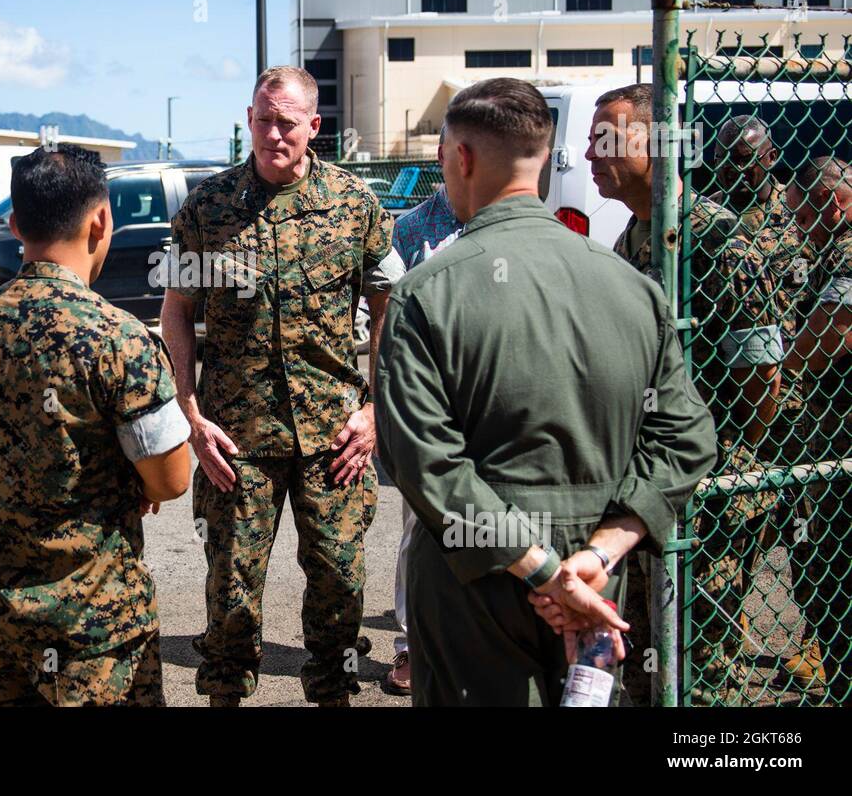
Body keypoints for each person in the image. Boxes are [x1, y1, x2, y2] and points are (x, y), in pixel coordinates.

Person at [376, 77, 716, 706]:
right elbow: (686, 440)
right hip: (593, 573)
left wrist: (542, 571)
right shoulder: (633, 288)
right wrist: (597, 555)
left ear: (463, 157)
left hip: (470, 577)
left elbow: (422, 462)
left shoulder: (427, 292)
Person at [160, 65, 404, 707]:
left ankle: (333, 695)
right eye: (263, 120)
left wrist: (376, 410)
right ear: (248, 120)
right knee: (230, 589)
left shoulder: (357, 207)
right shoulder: (208, 208)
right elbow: (176, 313)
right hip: (234, 437)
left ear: (314, 127)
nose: (274, 133)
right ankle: (224, 697)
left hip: (335, 435)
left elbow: (387, 314)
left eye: (287, 122)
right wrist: (190, 413)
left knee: (338, 582)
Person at [0, 144, 191, 706]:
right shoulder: (120, 339)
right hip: (94, 628)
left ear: (16, 224)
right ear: (102, 221)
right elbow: (170, 479)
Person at [586, 84, 780, 705]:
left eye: (605, 137)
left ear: (653, 142)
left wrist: (732, 460)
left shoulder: (717, 240)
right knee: (645, 655)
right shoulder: (633, 237)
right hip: (649, 483)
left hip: (709, 485)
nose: (590, 153)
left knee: (699, 663)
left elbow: (761, 374)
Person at [708, 116, 825, 693]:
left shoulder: (798, 213)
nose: (737, 169)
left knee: (805, 530)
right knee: (738, 528)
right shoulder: (711, 220)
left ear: (771, 156)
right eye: (727, 158)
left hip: (799, 398)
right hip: (739, 401)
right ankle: (730, 629)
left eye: (748, 157)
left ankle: (814, 639)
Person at [380, 141, 463, 697]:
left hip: (495, 398)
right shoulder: (411, 228)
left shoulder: (506, 221)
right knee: (422, 525)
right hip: (431, 401)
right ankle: (412, 643)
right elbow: (385, 321)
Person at [784, 154, 852, 705]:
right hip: (831, 426)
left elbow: (831, 334)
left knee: (823, 555)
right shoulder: (831, 244)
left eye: (803, 216)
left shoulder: (848, 248)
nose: (798, 229)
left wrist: (777, 361)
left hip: (842, 431)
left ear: (830, 204)